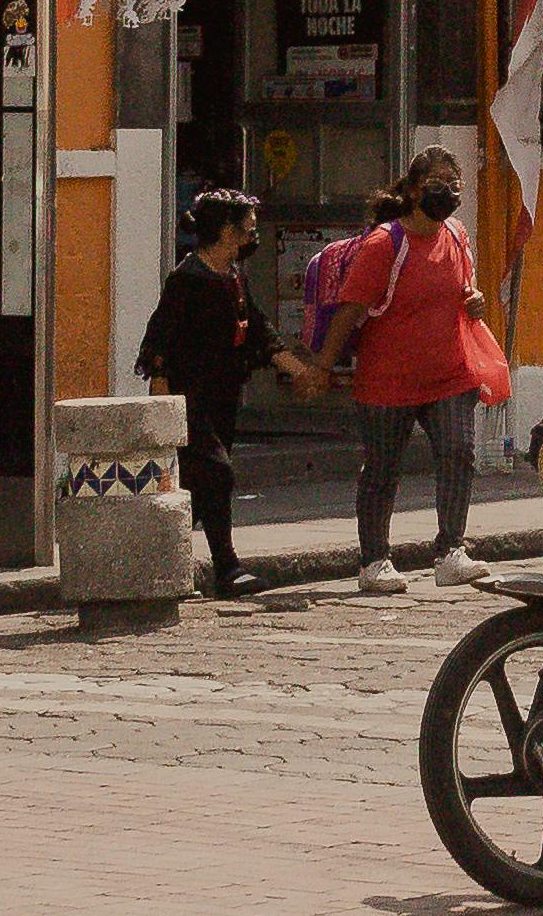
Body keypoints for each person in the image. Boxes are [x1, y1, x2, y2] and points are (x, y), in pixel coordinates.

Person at [323, 148, 496, 596]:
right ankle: (374, 560)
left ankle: (451, 551)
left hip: (449, 374)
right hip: (387, 381)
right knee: (382, 468)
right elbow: (351, 309)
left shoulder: (456, 235)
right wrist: (322, 366)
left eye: (455, 185)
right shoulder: (385, 244)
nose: (449, 193)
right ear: (416, 190)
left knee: (459, 453)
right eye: (439, 184)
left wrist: (474, 300)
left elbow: (464, 290)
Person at [138, 188, 321, 598]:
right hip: (189, 397)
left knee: (201, 488)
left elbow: (256, 329)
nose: (252, 234)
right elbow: (160, 336)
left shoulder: (233, 276)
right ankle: (227, 567)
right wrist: (161, 389)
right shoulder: (187, 278)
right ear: (225, 230)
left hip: (223, 395)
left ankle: (159, 564)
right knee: (217, 473)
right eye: (246, 227)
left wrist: (297, 369)